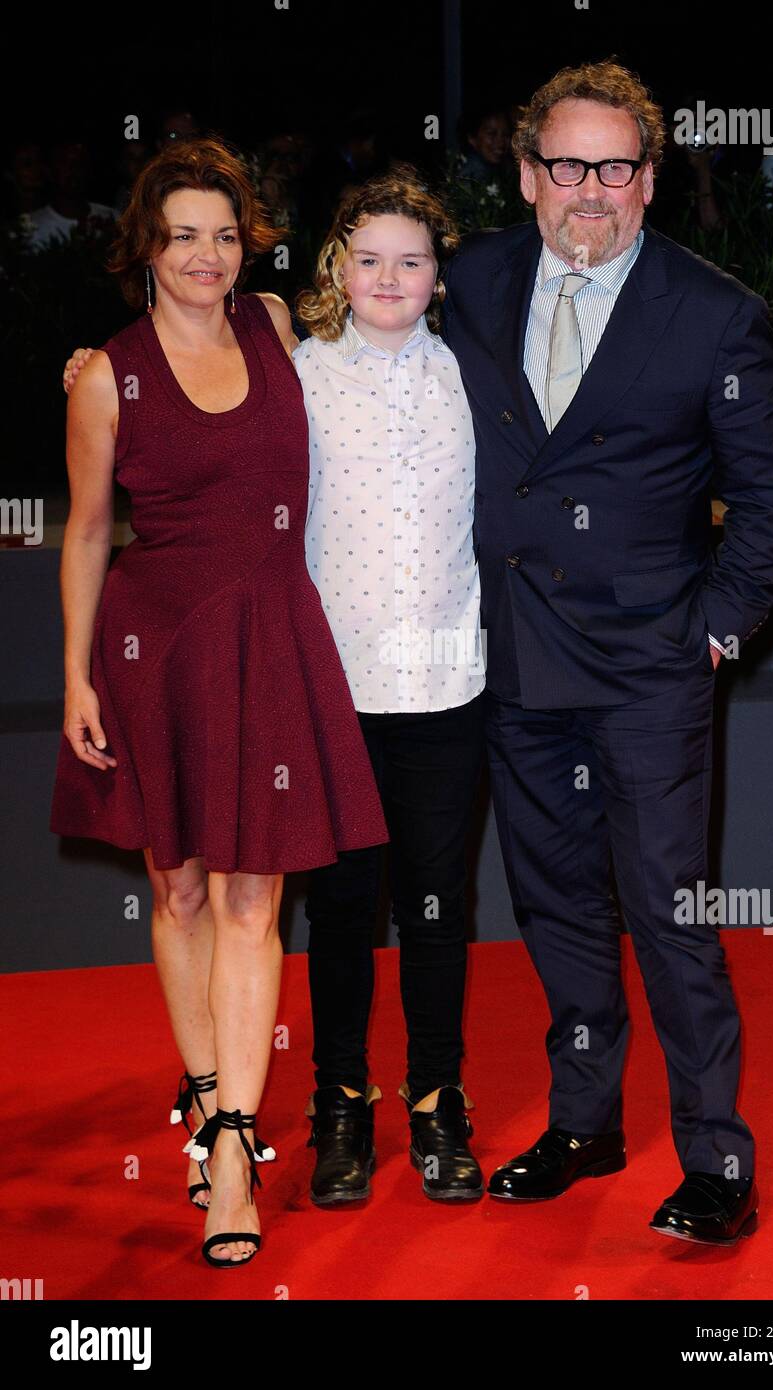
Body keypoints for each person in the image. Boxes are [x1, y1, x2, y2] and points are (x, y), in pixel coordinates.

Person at [440, 60, 773, 1244]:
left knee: (669, 911)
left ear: (646, 181)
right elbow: (362, 351)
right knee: (552, 907)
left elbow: (766, 494)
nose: (585, 189)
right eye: (563, 164)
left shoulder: (711, 312)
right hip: (511, 657)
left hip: (648, 664)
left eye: (610, 166)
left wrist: (717, 625)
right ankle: (586, 1123)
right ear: (526, 173)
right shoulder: (473, 279)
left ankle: (713, 1153)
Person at [50, 137, 388, 1268]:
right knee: (181, 884)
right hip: (156, 648)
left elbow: (395, 314)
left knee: (257, 892)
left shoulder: (277, 329)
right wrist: (74, 673)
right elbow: (90, 529)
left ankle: (233, 1152)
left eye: (225, 235)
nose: (207, 255)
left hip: (272, 636)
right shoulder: (105, 375)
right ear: (146, 246)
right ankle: (203, 1094)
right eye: (184, 235)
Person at [292, 167, 487, 1203]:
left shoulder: (471, 372)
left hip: (447, 687)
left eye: (410, 260)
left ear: (437, 277)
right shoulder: (295, 371)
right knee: (340, 910)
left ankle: (437, 1097)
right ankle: (339, 1104)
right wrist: (99, 364)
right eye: (367, 257)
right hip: (332, 692)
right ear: (337, 264)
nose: (388, 276)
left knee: (436, 906)